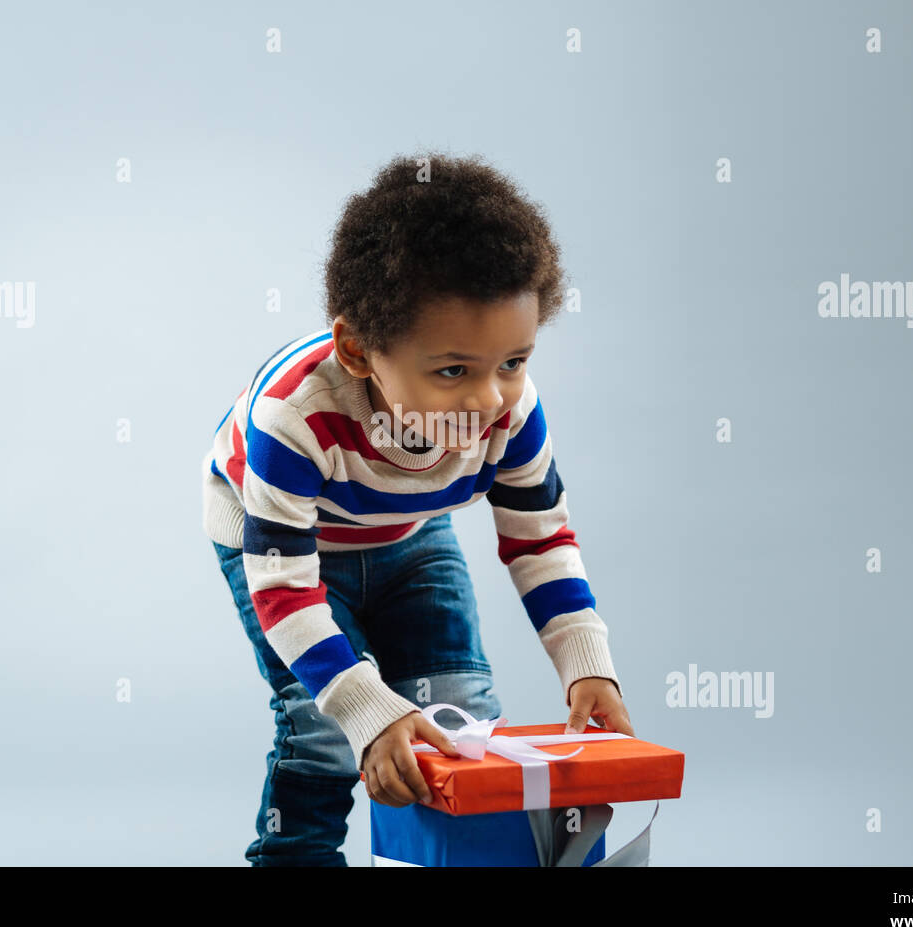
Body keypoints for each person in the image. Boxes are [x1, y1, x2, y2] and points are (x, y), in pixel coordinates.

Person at [203, 151, 633, 866]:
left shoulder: (512, 413)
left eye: (513, 362)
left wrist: (587, 663)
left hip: (409, 532)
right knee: (324, 724)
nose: (490, 398)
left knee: (457, 716)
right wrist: (368, 715)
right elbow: (284, 590)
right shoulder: (295, 415)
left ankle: (451, 855)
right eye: (452, 371)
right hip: (282, 543)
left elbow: (540, 541)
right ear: (359, 350)